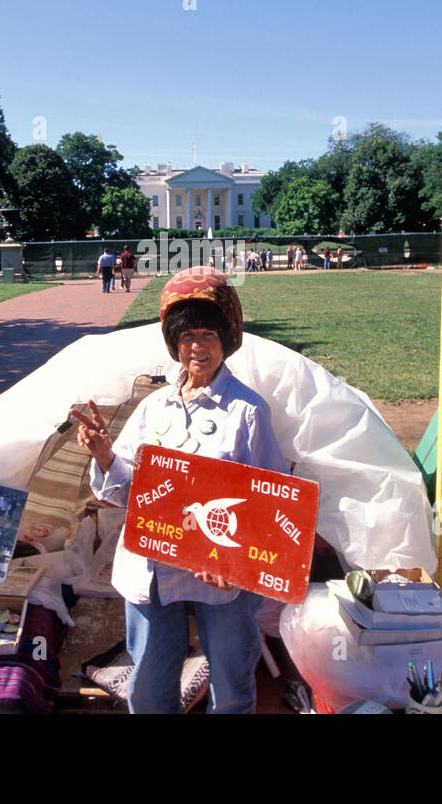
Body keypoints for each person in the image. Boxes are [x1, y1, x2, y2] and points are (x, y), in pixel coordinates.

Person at [71, 267, 289, 714]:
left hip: (220, 575)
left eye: (208, 334)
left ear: (226, 339)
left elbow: (272, 502)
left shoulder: (247, 411)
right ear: (174, 343)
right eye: (186, 336)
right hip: (151, 570)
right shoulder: (155, 407)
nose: (196, 347)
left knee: (231, 684)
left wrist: (235, 562)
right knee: (149, 684)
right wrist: (105, 456)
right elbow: (126, 489)